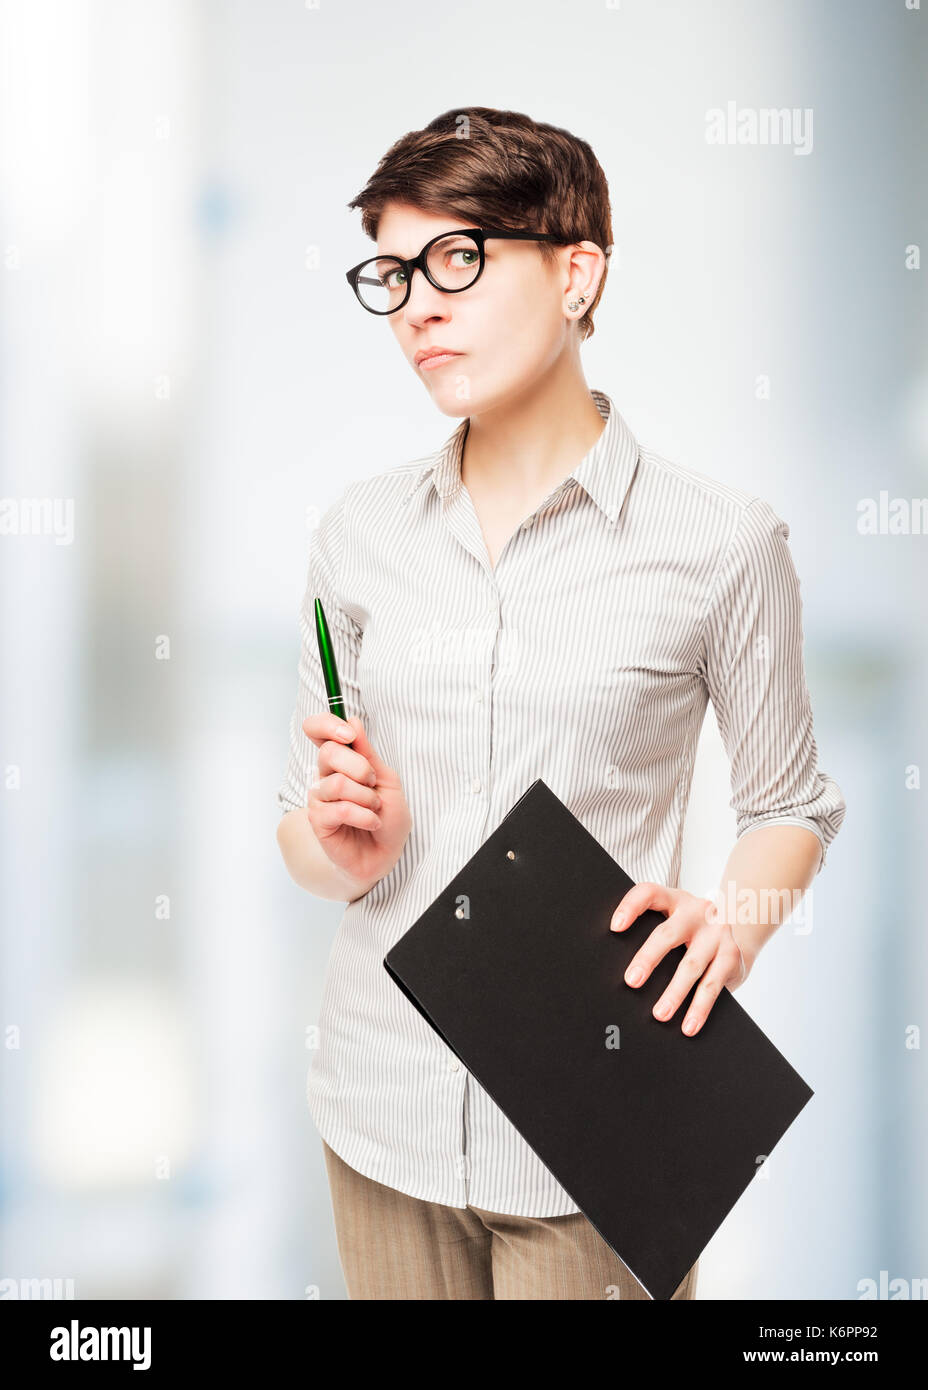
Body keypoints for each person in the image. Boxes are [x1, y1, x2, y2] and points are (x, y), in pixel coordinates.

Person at [276, 107, 846, 1301]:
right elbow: (306, 830)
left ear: (578, 271)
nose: (416, 306)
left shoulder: (723, 543)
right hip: (379, 1114)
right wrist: (332, 846)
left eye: (457, 259)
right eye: (392, 273)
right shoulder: (359, 533)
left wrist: (734, 919)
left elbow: (792, 802)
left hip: (598, 1131)